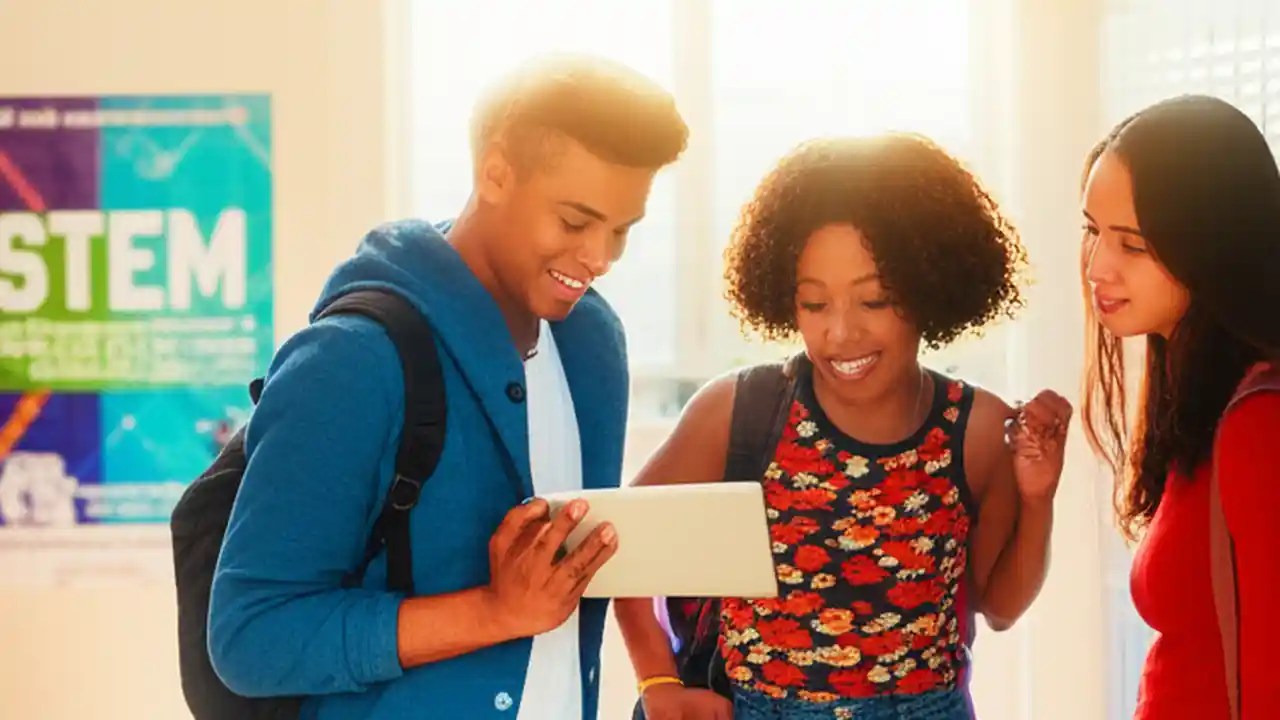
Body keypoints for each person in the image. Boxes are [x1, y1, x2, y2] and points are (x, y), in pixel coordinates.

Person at [207, 53, 688, 719]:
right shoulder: (349, 362)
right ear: (495, 173)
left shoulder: (592, 343)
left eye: (622, 231)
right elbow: (250, 637)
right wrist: (493, 611)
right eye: (575, 222)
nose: (600, 258)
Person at [615, 134, 1073, 719]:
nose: (840, 334)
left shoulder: (976, 427)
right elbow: (621, 545)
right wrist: (658, 683)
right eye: (814, 304)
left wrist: (1038, 499)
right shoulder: (740, 411)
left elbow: (1002, 607)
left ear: (929, 288)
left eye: (874, 301)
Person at [1079, 95, 1280, 719]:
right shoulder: (1200, 397)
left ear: (1212, 249)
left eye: (1133, 246)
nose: (1096, 267)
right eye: (1092, 232)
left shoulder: (1258, 424)